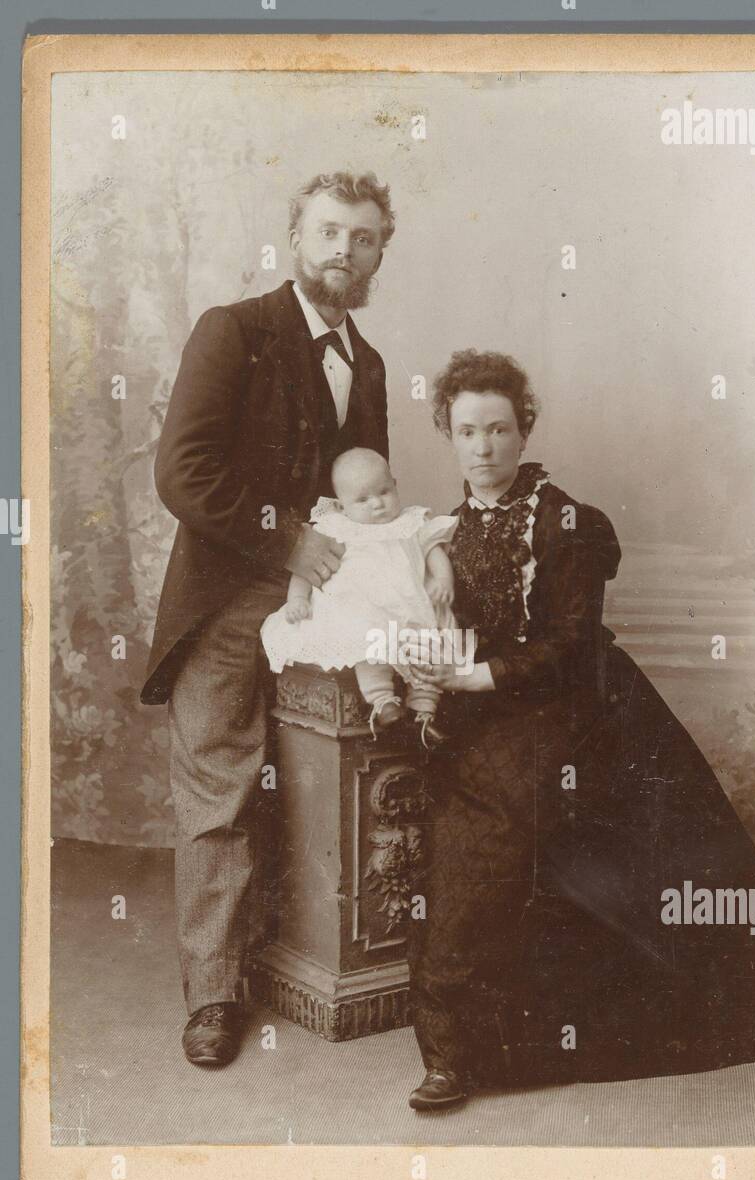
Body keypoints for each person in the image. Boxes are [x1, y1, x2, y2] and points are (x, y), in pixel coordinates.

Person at [404, 349, 755, 1111]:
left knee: (519, 829)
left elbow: (571, 643)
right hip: (483, 707)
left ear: (524, 431)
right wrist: (431, 662)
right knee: (461, 841)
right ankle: (453, 1045)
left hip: (577, 711)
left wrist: (475, 678)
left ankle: (488, 1047)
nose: (482, 447)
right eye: (465, 431)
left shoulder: (568, 523)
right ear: (447, 435)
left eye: (498, 429)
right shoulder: (444, 527)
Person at [140, 171, 393, 1067]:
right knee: (221, 783)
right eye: (328, 231)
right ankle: (214, 995)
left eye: (362, 238)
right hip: (227, 594)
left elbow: (365, 493)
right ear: (295, 236)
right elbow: (183, 473)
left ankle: (314, 961)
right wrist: (285, 543)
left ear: (377, 253)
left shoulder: (367, 362)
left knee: (329, 769)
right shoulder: (234, 329)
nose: (342, 250)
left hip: (322, 595)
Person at [260, 447, 458, 746]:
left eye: (384, 492)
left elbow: (434, 551)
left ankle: (423, 713)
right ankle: (382, 702)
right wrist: (297, 599)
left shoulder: (412, 522)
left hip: (414, 609)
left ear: (395, 484)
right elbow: (305, 570)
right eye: (363, 500)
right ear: (342, 506)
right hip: (365, 610)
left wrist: (443, 579)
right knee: (367, 642)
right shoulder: (339, 528)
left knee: (432, 648)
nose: (378, 504)